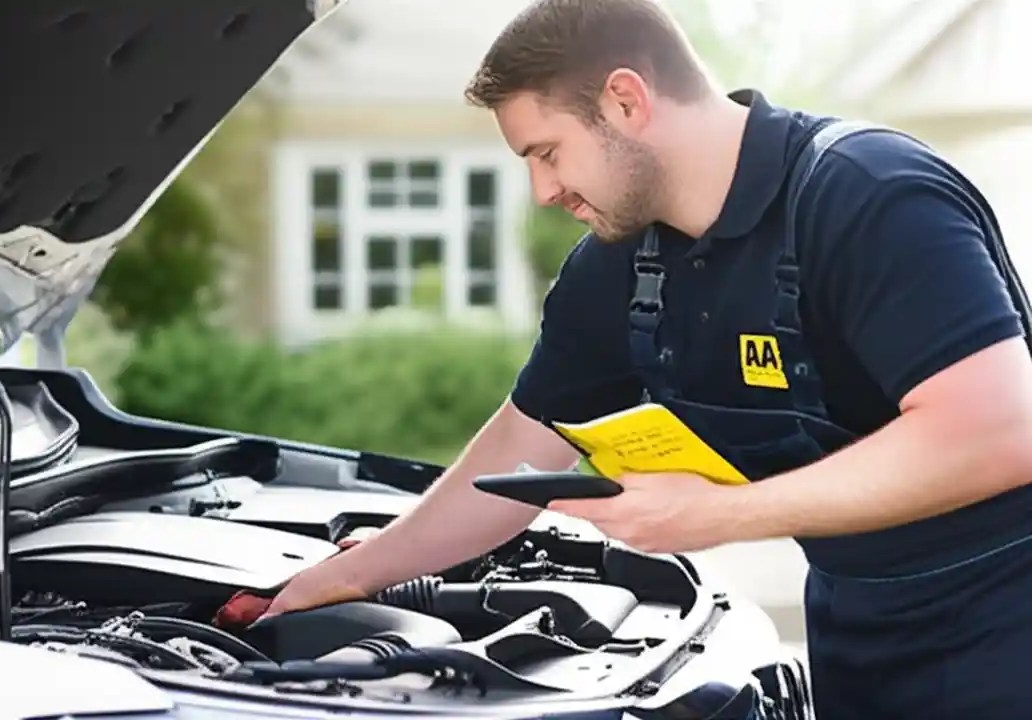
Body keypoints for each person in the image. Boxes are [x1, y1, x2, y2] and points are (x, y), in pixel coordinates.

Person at [258, 0, 1032, 715]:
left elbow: (999, 432)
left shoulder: (868, 196)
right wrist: (358, 572)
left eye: (548, 152)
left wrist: (717, 515)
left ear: (627, 100)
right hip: (857, 630)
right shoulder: (622, 264)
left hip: (1009, 628)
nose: (541, 190)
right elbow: (521, 454)